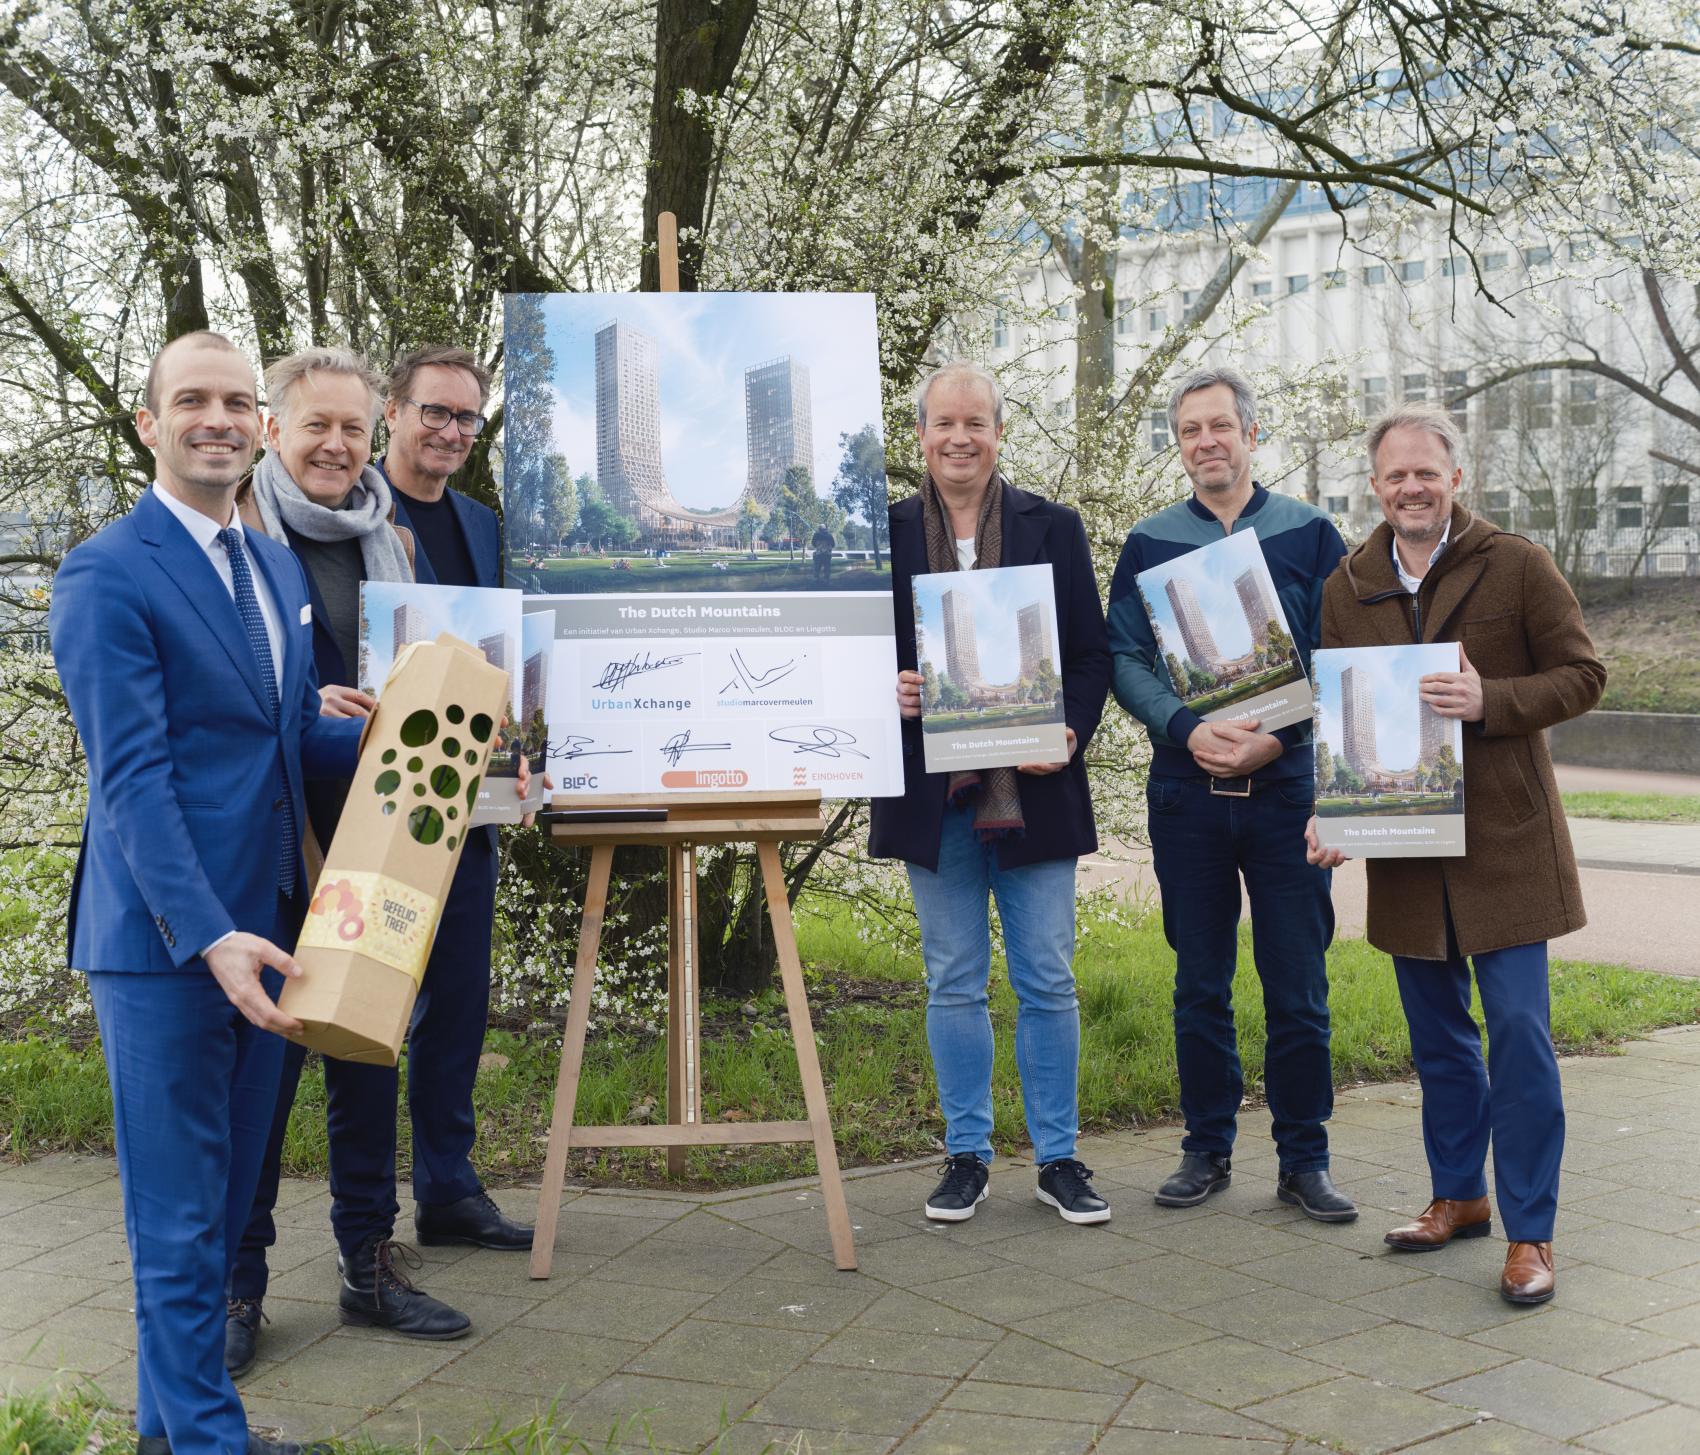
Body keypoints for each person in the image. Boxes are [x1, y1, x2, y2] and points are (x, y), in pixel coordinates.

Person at [49, 331, 363, 1455]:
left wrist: (418, 745)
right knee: (179, 1217)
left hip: (273, 932)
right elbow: (131, 779)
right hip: (170, 944)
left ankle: (169, 1427)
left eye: (237, 400)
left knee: (224, 1209)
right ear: (149, 424)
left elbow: (279, 751)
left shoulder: (271, 566)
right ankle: (205, 1441)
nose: (218, 418)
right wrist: (209, 935)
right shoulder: (105, 572)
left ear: (261, 427)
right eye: (192, 401)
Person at [1306, 404, 1605, 1304]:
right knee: (1438, 1041)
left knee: (1517, 1036)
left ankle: (1532, 1234)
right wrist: (1335, 815)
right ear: (1375, 487)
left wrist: (1490, 699)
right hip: (1407, 847)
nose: (1411, 488)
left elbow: (1585, 674)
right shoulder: (1346, 586)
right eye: (1395, 475)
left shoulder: (1518, 563)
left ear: (1455, 479)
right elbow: (1340, 720)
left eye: (1426, 473)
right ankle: (1459, 1196)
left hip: (1507, 847)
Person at [226, 346, 482, 1370]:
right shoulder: (236, 538)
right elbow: (229, 706)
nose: (336, 446)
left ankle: (368, 1263)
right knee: (262, 1073)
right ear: (274, 432)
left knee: (366, 1054)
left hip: (379, 842)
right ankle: (238, 1287)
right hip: (272, 847)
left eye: (351, 428)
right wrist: (307, 716)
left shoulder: (396, 542)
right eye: (315, 427)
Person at [1106, 367, 1355, 1222]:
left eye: (1220, 426)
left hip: (1287, 793)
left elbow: (1340, 651)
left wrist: (1277, 736)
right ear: (1177, 448)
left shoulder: (1311, 534)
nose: (1206, 442)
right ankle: (1205, 1148)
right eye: (1189, 431)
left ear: (1250, 433)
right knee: (1199, 982)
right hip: (1188, 793)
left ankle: (1304, 1160)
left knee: (1298, 984)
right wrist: (1183, 725)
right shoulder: (1150, 543)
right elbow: (1124, 657)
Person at [870, 361, 1114, 1225]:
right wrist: (886, 687)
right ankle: (966, 1153)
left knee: (1047, 976)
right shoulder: (886, 530)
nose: (960, 438)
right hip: (934, 796)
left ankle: (1059, 1158)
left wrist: (1067, 732)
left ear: (999, 432)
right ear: (922, 436)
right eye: (944, 424)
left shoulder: (1055, 526)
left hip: (1035, 788)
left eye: (977, 422)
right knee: (954, 980)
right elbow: (853, 655)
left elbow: (1090, 656)